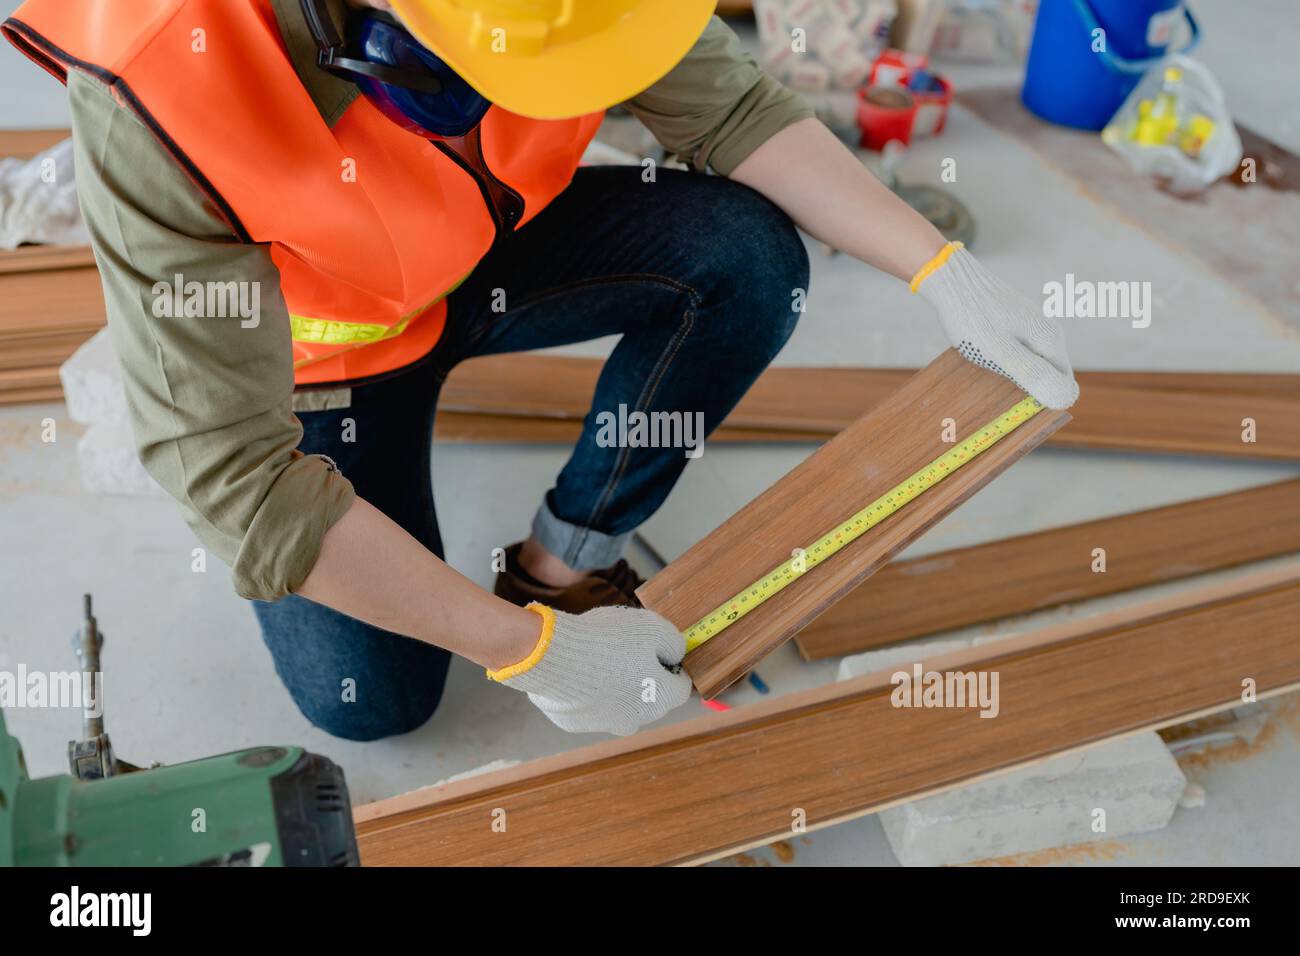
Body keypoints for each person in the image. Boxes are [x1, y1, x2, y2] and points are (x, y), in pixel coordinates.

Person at [3, 0, 1077, 740]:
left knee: (746, 260)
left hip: (484, 250)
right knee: (373, 704)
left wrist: (940, 271)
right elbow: (238, 485)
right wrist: (530, 656)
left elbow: (738, 111)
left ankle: (561, 560)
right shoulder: (163, 67)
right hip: (326, 345)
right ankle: (517, 606)